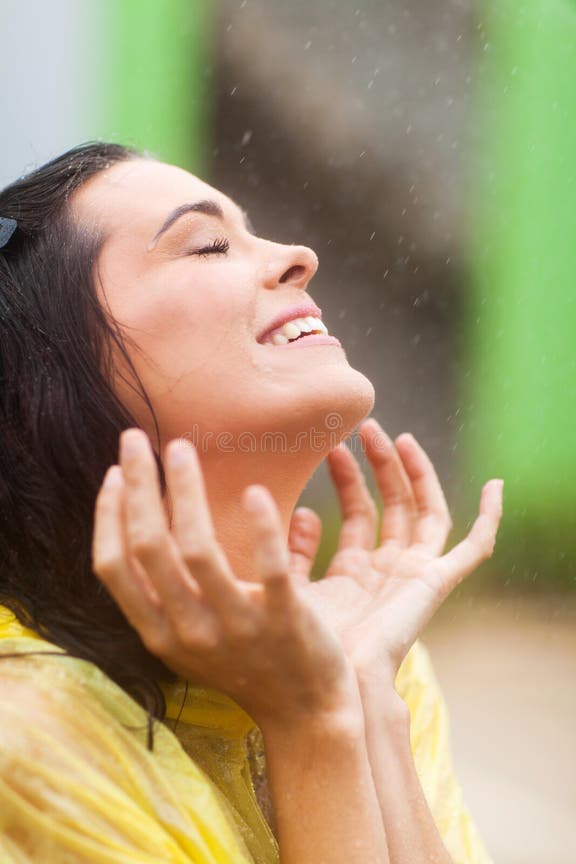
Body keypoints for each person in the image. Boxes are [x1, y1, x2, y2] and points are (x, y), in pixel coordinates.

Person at [0, 142, 503, 864]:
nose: (299, 255)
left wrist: (362, 691)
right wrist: (315, 725)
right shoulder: (26, 739)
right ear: (48, 375)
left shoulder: (367, 658)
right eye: (207, 245)